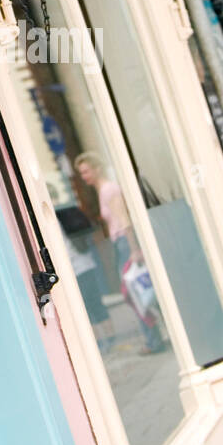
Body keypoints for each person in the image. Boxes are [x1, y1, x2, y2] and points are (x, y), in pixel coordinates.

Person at [74, 152, 163, 354]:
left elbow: (124, 220)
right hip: (120, 242)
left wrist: (133, 249)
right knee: (138, 293)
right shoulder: (103, 190)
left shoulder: (108, 190)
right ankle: (154, 338)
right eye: (81, 173)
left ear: (97, 169)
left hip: (124, 242)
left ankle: (153, 341)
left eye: (86, 171)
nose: (84, 176)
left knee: (136, 293)